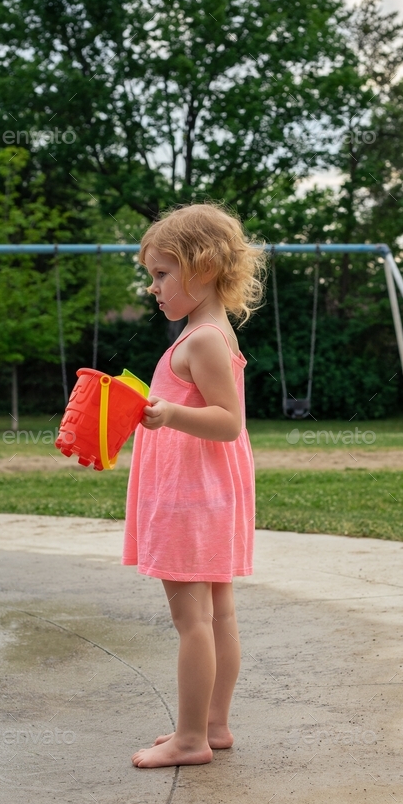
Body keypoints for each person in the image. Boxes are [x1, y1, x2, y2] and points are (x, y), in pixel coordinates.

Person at [122, 202, 266, 768]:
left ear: (201, 269)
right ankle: (214, 724)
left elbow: (228, 422)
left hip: (191, 500)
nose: (153, 287)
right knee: (218, 616)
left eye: (161, 274)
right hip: (210, 495)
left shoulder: (202, 339)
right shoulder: (208, 331)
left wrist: (167, 416)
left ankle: (190, 740)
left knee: (192, 622)